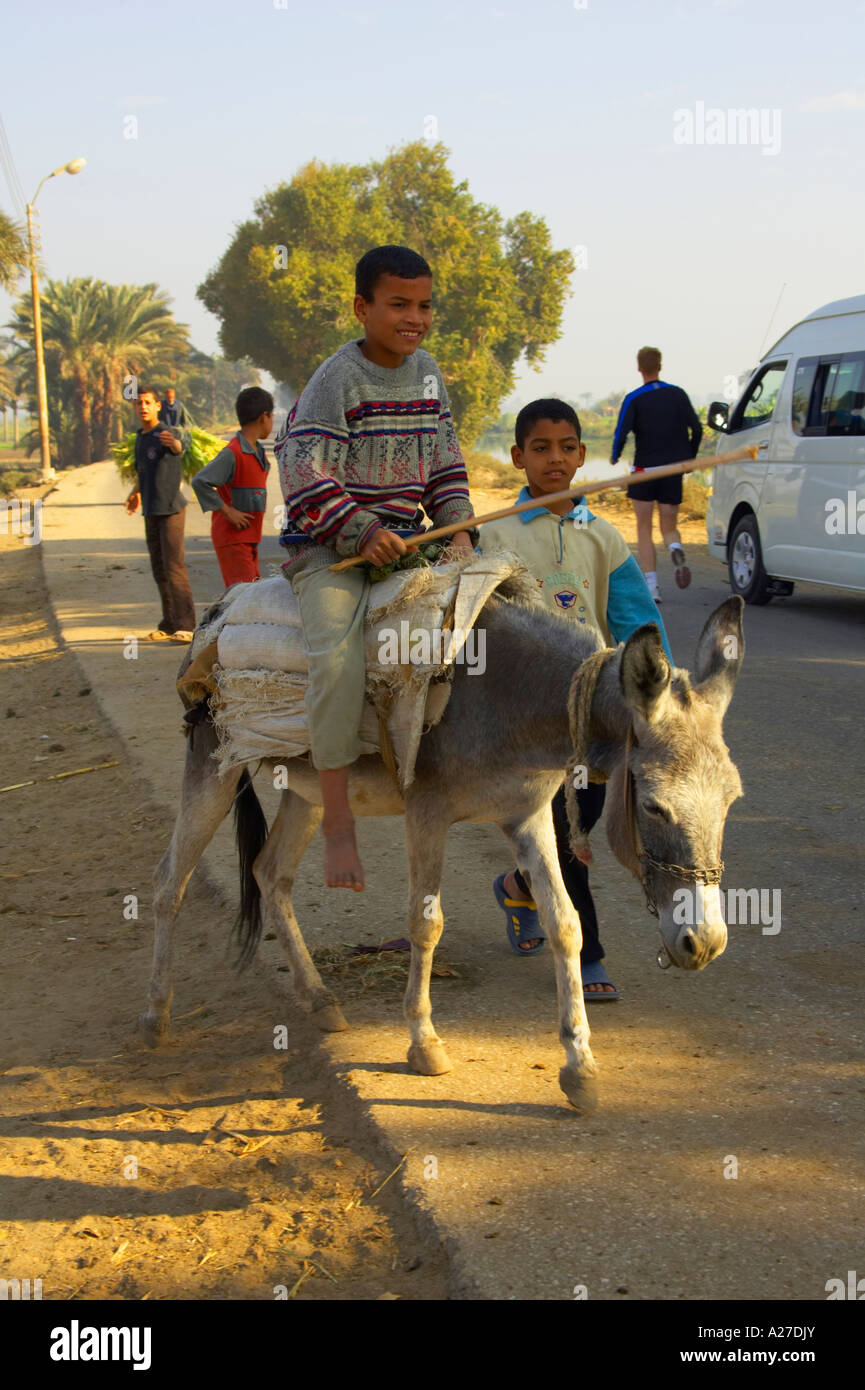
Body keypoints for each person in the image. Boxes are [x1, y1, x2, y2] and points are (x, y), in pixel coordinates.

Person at [275, 244, 476, 892]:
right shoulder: (337, 379)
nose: (413, 318)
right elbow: (301, 473)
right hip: (329, 553)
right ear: (362, 307)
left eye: (422, 306)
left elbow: (445, 464)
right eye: (397, 304)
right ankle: (336, 821)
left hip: (409, 543)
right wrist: (360, 531)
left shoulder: (428, 374)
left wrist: (460, 530)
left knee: (488, 626)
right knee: (337, 661)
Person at [478, 399, 673, 1000]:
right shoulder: (492, 534)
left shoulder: (604, 537)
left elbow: (637, 622)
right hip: (524, 717)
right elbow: (478, 622)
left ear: (581, 455)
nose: (554, 459)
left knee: (577, 825)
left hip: (593, 712)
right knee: (565, 840)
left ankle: (517, 885)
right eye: (540, 448)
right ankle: (588, 957)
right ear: (518, 457)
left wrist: (661, 689)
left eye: (566, 448)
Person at [610, 346, 702, 604]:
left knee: (643, 528)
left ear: (639, 367)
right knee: (669, 525)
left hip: (644, 470)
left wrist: (615, 455)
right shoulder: (678, 394)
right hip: (673, 469)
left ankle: (652, 588)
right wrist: (689, 460)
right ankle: (675, 548)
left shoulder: (635, 398)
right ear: (660, 366)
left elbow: (622, 432)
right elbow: (696, 429)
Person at [125, 386, 196, 640]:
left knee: (174, 567)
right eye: (139, 403)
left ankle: (186, 626)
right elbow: (142, 469)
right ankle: (168, 623)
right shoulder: (141, 437)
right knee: (158, 568)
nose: (143, 407)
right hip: (151, 509)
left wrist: (175, 444)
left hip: (171, 510)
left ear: (157, 406)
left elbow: (179, 447)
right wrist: (135, 493)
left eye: (147, 402)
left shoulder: (165, 432)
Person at [191, 386, 274, 587]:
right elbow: (200, 481)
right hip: (233, 539)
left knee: (251, 592)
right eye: (271, 417)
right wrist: (229, 512)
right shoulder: (233, 452)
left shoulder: (259, 452)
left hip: (249, 537)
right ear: (264, 417)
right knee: (244, 597)